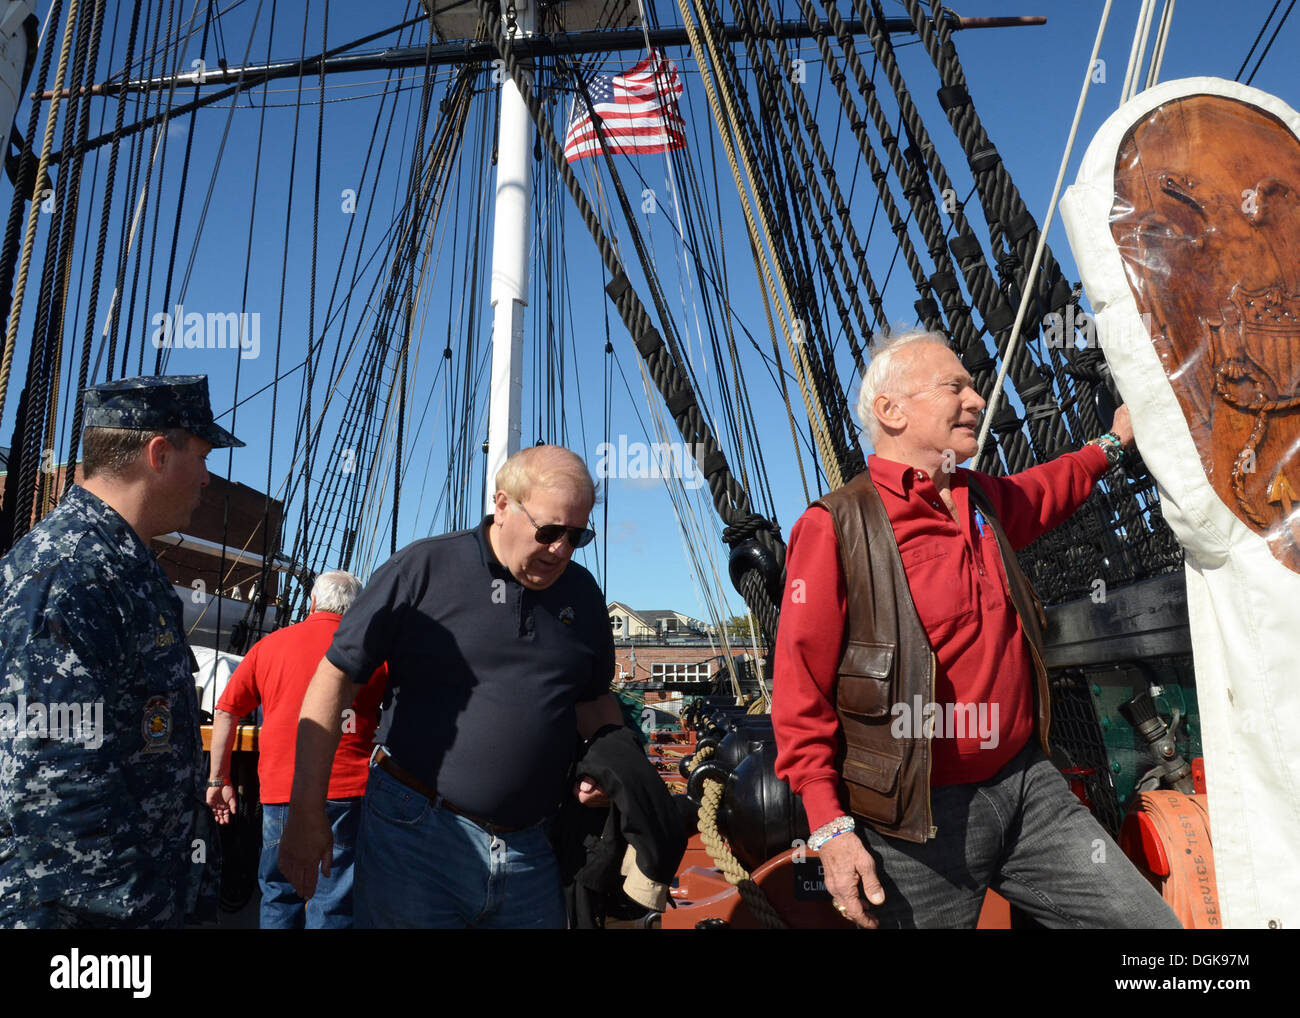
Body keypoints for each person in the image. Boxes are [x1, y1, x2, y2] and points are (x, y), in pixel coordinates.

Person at [772, 330, 1181, 929]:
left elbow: (1048, 489)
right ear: (891, 410)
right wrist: (831, 828)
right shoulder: (836, 527)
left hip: (1027, 785)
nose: (977, 399)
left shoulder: (979, 498)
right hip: (917, 820)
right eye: (955, 386)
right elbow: (801, 690)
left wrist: (1114, 442)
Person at [278, 444, 622, 928]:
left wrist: (616, 766)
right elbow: (335, 678)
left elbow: (592, 701)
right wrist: (306, 810)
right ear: (502, 505)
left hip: (531, 849)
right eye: (549, 531)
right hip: (415, 842)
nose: (561, 549)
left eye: (576, 536)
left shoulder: (582, 596)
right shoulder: (423, 570)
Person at [0, 374, 243, 928]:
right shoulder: (66, 579)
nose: (207, 478)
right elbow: (56, 792)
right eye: (202, 457)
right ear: (159, 453)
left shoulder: (124, 570)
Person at [206, 569, 387, 929]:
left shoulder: (268, 647)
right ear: (356, 609)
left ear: (313, 602)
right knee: (335, 898)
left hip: (281, 791)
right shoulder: (372, 655)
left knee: (279, 890)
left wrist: (218, 778)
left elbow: (226, 710)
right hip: (347, 793)